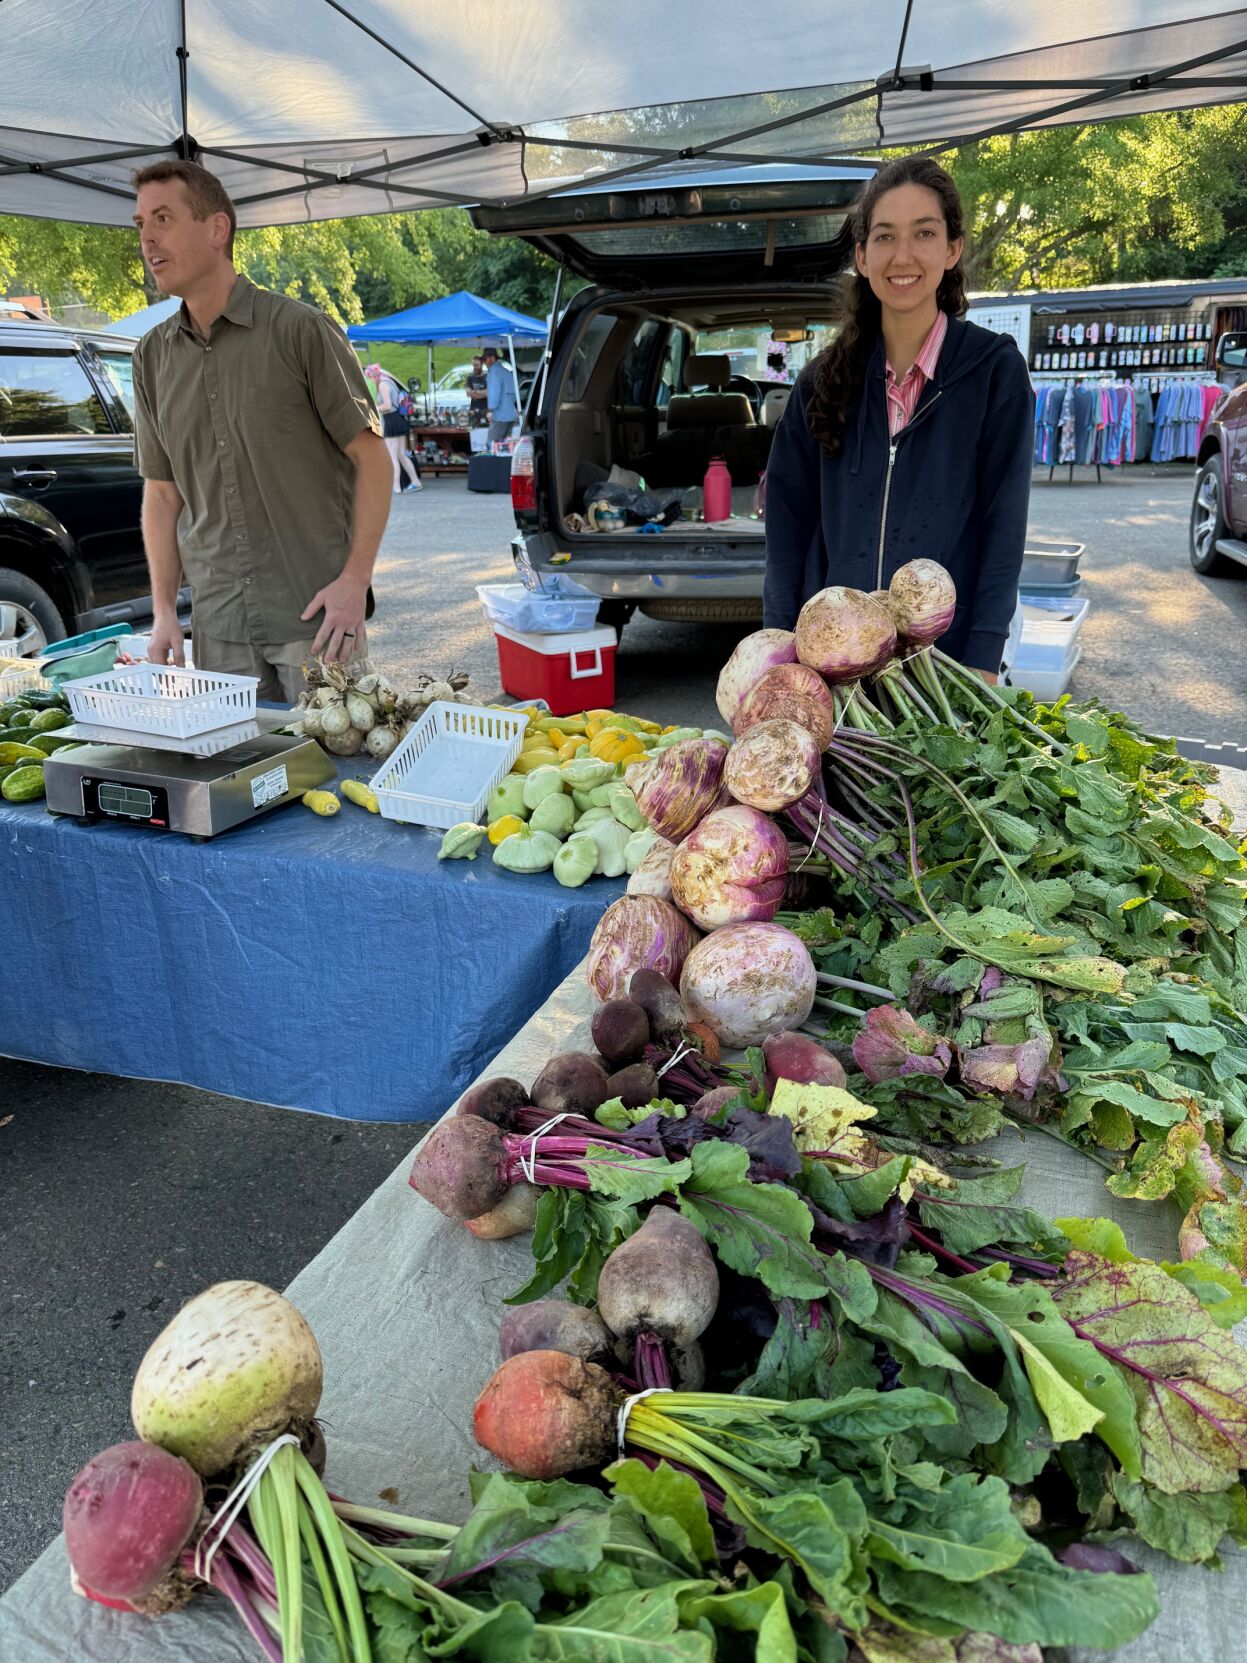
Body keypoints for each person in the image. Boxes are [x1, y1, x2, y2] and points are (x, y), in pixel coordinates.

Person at [129, 159, 394, 700]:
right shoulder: (151, 358)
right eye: (140, 224)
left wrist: (355, 581)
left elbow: (373, 461)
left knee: (335, 756)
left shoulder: (301, 331)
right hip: (219, 628)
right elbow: (161, 494)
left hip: (316, 622)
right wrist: (163, 612)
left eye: (163, 218)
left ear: (216, 229)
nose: (147, 239)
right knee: (235, 759)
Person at [762, 156, 1034, 681]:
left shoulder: (994, 372)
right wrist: (778, 645)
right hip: (834, 665)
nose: (902, 255)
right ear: (862, 257)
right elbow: (787, 529)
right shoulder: (820, 383)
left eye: (923, 233)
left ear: (952, 249)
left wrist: (983, 655)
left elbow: (1004, 526)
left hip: (946, 668)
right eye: (885, 236)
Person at [365, 363, 422, 495]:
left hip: (392, 421)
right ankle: (416, 482)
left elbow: (388, 406)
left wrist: (373, 408)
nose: (371, 381)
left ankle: (396, 487)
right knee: (401, 455)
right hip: (398, 420)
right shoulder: (389, 381)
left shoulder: (383, 385)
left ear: (374, 376)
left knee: (392, 456)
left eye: (370, 378)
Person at [483, 346, 518, 445]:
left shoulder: (494, 372)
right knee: (506, 446)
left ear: (491, 358)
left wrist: (490, 410)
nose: (485, 362)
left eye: (485, 359)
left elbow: (494, 394)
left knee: (492, 445)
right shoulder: (506, 372)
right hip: (510, 415)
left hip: (500, 416)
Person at [465, 354, 489, 428]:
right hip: (473, 409)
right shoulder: (470, 377)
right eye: (474, 365)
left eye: (477, 365)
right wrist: (481, 394)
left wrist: (475, 392)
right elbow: (468, 393)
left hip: (485, 409)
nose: (475, 368)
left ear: (482, 364)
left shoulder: (487, 376)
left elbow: (488, 393)